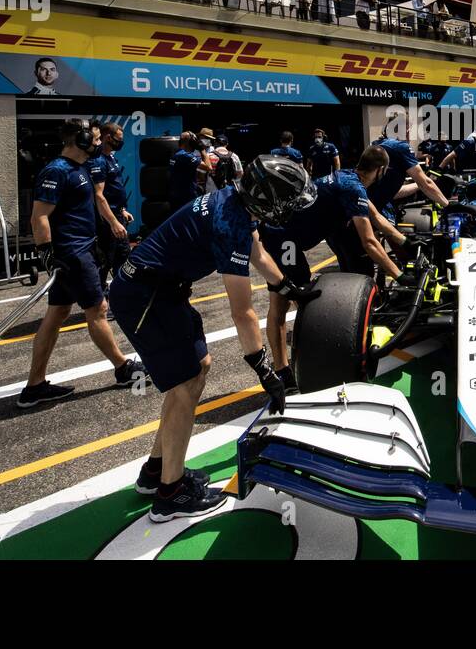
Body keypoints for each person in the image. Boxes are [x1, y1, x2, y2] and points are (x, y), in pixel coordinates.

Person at [107, 156, 320, 521]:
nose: (288, 208)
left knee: (195, 371)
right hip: (147, 295)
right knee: (185, 382)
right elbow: (242, 311)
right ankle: (170, 494)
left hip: (160, 290)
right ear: (266, 197)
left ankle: (157, 471)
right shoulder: (229, 220)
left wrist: (287, 287)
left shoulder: (236, 203)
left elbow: (258, 252)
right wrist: (265, 369)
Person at [20, 118, 143, 408]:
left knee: (58, 312)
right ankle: (123, 369)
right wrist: (47, 254)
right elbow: (39, 217)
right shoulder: (57, 170)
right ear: (81, 138)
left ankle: (34, 386)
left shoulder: (81, 168)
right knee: (98, 308)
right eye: (96, 138)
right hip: (71, 253)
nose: (100, 143)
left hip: (83, 248)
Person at [262, 149, 409, 384]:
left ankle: (300, 365)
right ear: (380, 171)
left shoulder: (347, 176)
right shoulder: (353, 188)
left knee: (302, 303)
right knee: (292, 303)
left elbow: (377, 218)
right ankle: (289, 371)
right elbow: (370, 242)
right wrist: (400, 275)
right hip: (283, 239)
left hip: (284, 235)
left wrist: (405, 241)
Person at [90, 121, 133, 287]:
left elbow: (113, 189)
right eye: (118, 138)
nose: (121, 142)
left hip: (117, 215)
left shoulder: (111, 158)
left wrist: (122, 210)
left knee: (123, 257)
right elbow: (99, 196)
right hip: (107, 220)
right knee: (105, 259)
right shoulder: (98, 160)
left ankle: (120, 294)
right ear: (108, 137)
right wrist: (113, 222)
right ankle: (99, 298)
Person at [168, 131, 211, 210]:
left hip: (177, 195)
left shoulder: (176, 153)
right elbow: (208, 167)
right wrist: (202, 150)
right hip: (187, 197)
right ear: (191, 142)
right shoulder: (185, 156)